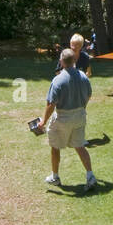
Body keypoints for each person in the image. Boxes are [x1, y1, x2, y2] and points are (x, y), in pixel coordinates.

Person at [41, 48, 97, 190]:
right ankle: (90, 176)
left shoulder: (58, 80)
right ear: (75, 60)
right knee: (79, 146)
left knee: (55, 146)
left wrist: (43, 121)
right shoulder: (84, 76)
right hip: (80, 115)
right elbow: (89, 95)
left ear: (61, 61)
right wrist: (83, 107)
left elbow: (51, 104)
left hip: (63, 117)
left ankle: (55, 176)